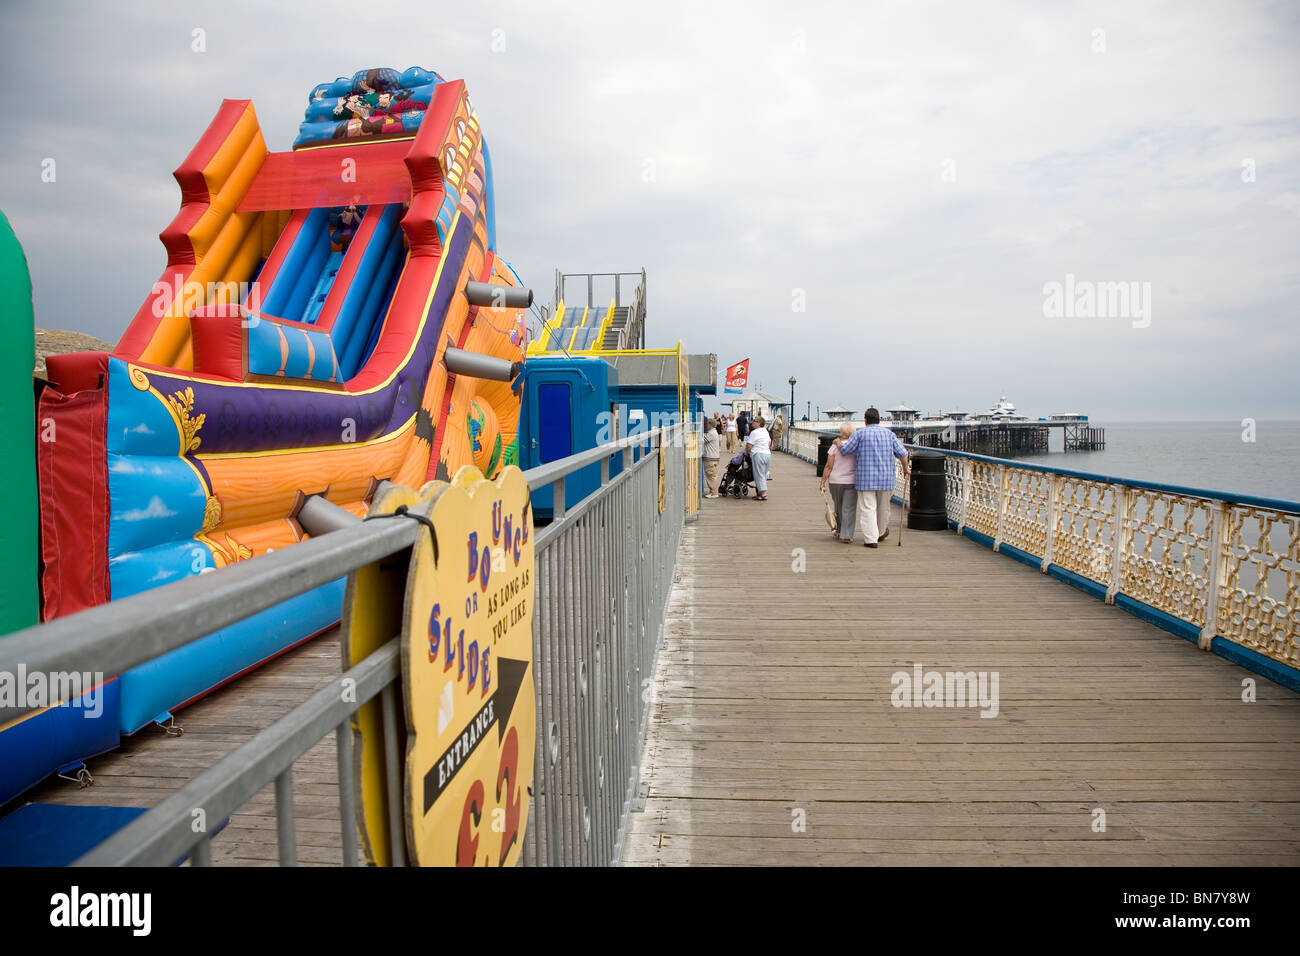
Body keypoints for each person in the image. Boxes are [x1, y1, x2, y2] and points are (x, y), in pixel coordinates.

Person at [835, 407, 910, 547]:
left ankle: (871, 539)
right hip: (886, 478)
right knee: (883, 508)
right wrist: (906, 469)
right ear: (879, 420)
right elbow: (903, 454)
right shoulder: (889, 434)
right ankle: (880, 533)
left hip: (865, 479)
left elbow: (846, 451)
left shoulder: (859, 434)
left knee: (868, 508)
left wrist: (838, 443)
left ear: (865, 421)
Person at [820, 422, 857, 542]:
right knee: (849, 508)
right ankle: (846, 535)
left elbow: (828, 466)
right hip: (851, 481)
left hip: (835, 481)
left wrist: (823, 482)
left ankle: (839, 529)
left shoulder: (834, 446)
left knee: (838, 506)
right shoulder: (855, 446)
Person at [745, 415, 772, 501]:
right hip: (767, 454)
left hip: (758, 454)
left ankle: (763, 494)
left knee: (759, 475)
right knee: (763, 474)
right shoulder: (765, 431)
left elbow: (749, 446)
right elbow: (769, 443)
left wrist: (747, 453)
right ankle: (760, 493)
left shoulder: (754, 432)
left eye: (754, 421)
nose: (752, 422)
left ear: (759, 423)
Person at [702, 420, 721, 498]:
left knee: (711, 475)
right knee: (712, 475)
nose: (705, 425)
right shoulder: (713, 432)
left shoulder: (711, 433)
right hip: (713, 457)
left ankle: (714, 493)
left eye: (706, 424)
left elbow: (702, 440)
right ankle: (713, 491)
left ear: (710, 424)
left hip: (710, 457)